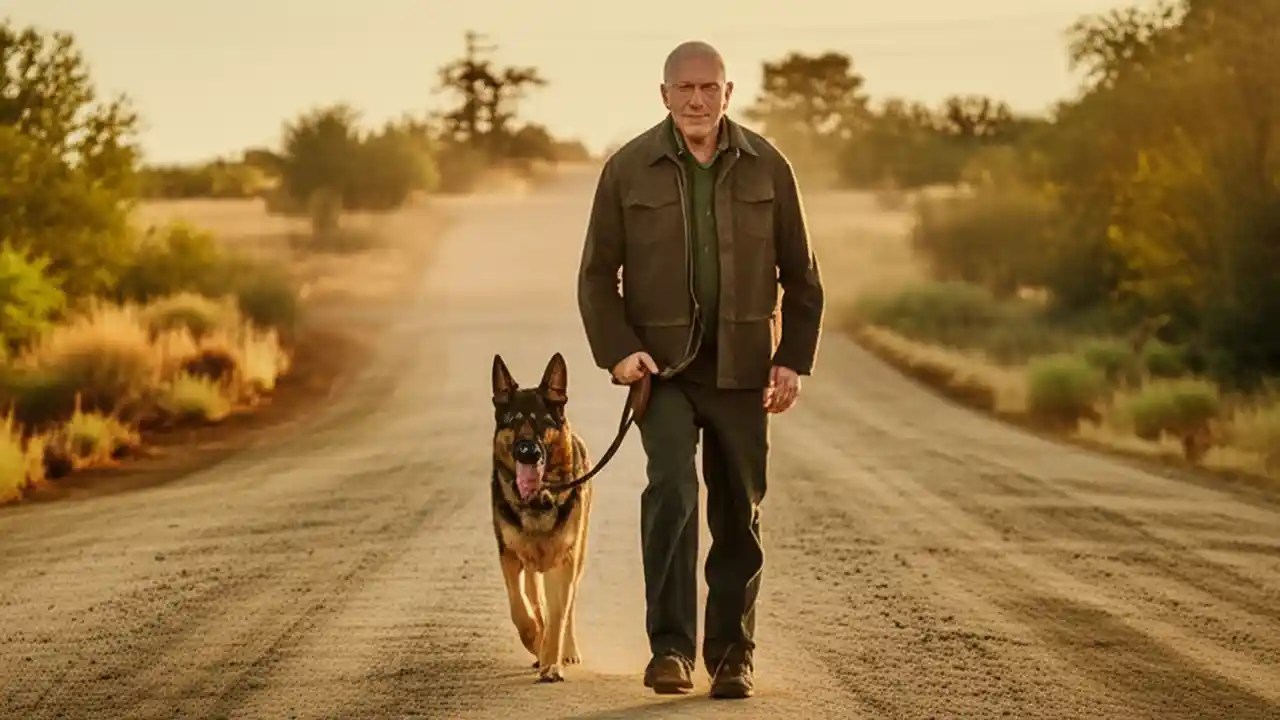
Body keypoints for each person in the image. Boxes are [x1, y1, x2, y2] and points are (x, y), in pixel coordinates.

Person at [576, 39, 824, 700]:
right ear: (664, 95)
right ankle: (671, 649)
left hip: (744, 370)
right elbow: (597, 276)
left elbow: (802, 278)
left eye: (707, 88)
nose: (696, 100)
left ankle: (733, 654)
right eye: (683, 89)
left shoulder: (769, 167)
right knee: (672, 492)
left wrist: (792, 359)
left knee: (739, 511)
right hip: (665, 373)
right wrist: (618, 350)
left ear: (727, 93)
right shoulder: (628, 169)